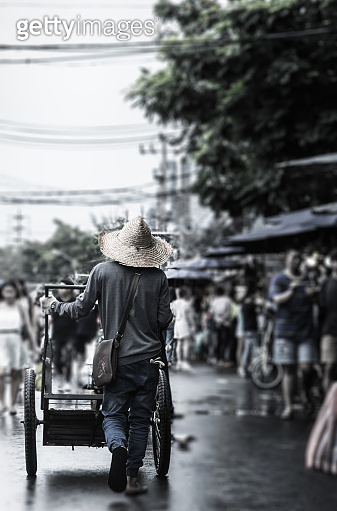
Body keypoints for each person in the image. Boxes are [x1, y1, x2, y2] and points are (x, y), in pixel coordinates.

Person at [40, 216, 173, 495]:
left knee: (112, 414)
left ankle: (118, 447)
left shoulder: (102, 272)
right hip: (149, 360)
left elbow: (79, 309)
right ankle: (132, 479)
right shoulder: (159, 277)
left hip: (117, 359)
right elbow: (164, 319)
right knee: (140, 420)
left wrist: (54, 305)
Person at [269, 249, 319, 420]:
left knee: (307, 367)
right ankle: (289, 406)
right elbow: (276, 299)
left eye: (298, 258)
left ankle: (306, 394)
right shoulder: (279, 279)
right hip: (285, 332)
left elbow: (317, 300)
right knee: (289, 369)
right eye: (293, 258)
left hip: (305, 330)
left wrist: (313, 295)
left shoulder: (308, 278)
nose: (296, 261)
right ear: (286, 260)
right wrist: (291, 291)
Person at [0, 279, 37, 415]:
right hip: (1, 339)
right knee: (2, 373)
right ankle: (2, 402)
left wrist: (35, 345)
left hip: (16, 339)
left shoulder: (20, 306)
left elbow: (28, 326)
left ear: (15, 292)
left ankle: (11, 404)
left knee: (15, 373)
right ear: (2, 292)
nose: (9, 294)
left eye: (12, 291)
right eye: (6, 291)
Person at [50, 277, 78, 390]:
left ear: (69, 289)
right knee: (56, 358)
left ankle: (67, 380)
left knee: (68, 355)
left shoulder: (74, 300)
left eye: (64, 287)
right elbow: (49, 316)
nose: (61, 289)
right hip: (57, 333)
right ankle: (61, 377)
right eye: (60, 286)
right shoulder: (55, 300)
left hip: (71, 333)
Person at [319, 248, 337, 394]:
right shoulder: (326, 283)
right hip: (329, 331)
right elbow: (321, 308)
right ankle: (327, 405)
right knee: (329, 367)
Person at [170, 287, 196, 371]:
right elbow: (189, 317)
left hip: (177, 323)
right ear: (185, 294)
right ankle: (184, 361)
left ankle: (179, 362)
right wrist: (193, 324)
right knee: (186, 343)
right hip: (184, 323)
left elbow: (172, 313)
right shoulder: (186, 304)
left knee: (179, 343)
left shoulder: (174, 303)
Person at [238, 286, 260, 377]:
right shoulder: (252, 305)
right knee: (255, 350)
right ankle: (255, 368)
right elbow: (261, 305)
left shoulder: (243, 305)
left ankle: (243, 367)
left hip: (245, 329)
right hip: (252, 329)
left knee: (246, 350)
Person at [209, 286, 232, 365]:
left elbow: (212, 312)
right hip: (225, 323)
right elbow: (229, 312)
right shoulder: (227, 300)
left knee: (217, 341)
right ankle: (222, 357)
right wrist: (222, 320)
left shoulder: (215, 301)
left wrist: (218, 320)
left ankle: (217, 357)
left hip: (217, 323)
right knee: (224, 341)